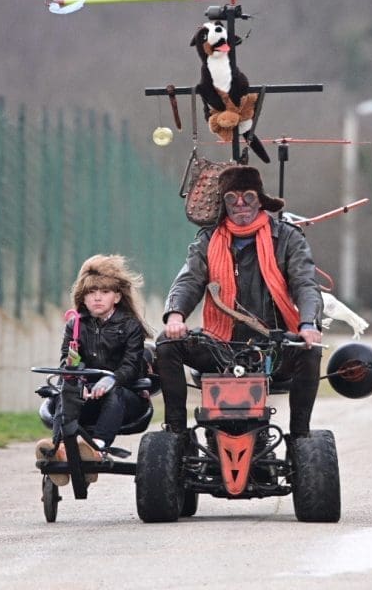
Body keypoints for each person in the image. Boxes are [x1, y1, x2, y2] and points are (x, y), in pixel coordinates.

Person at [157, 165, 324, 438]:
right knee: (166, 344)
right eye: (231, 198)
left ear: (260, 199)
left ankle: (300, 438)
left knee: (310, 352)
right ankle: (176, 434)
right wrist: (175, 316)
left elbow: (305, 283)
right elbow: (188, 280)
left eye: (248, 196)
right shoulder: (208, 240)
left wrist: (307, 324)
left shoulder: (288, 238)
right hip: (219, 344)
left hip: (273, 346)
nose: (241, 204)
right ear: (223, 204)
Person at [56, 254, 151, 454]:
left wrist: (111, 380)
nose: (97, 297)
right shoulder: (75, 325)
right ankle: (60, 446)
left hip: (124, 397)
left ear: (116, 297)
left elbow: (131, 366)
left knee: (114, 393)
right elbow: (69, 360)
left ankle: (97, 446)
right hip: (88, 394)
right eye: (91, 292)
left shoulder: (130, 326)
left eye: (105, 291)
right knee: (64, 388)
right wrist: (78, 379)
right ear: (83, 297)